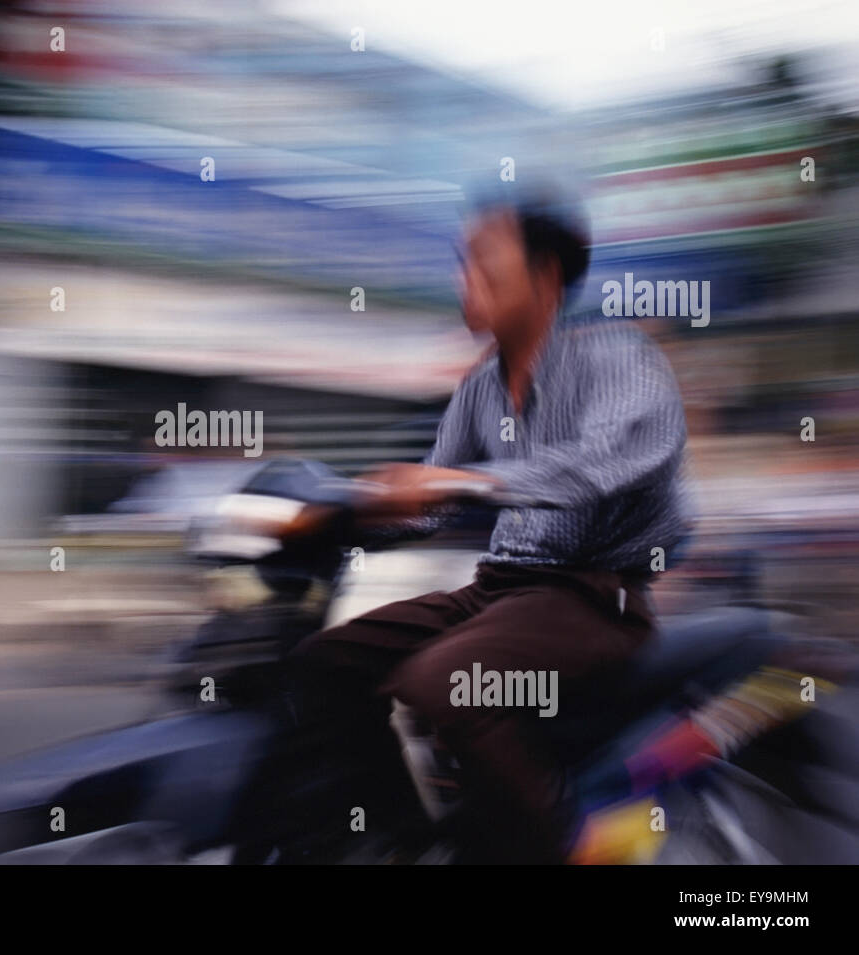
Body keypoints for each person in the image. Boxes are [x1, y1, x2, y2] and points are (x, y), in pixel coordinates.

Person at [282, 182, 693, 863]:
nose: (462, 275)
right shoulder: (479, 388)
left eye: (480, 256)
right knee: (322, 663)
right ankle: (409, 843)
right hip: (496, 591)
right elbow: (429, 501)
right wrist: (345, 509)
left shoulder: (619, 359)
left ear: (546, 274)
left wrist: (461, 481)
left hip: (593, 598)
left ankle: (567, 845)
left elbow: (605, 463)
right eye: (460, 258)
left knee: (440, 680)